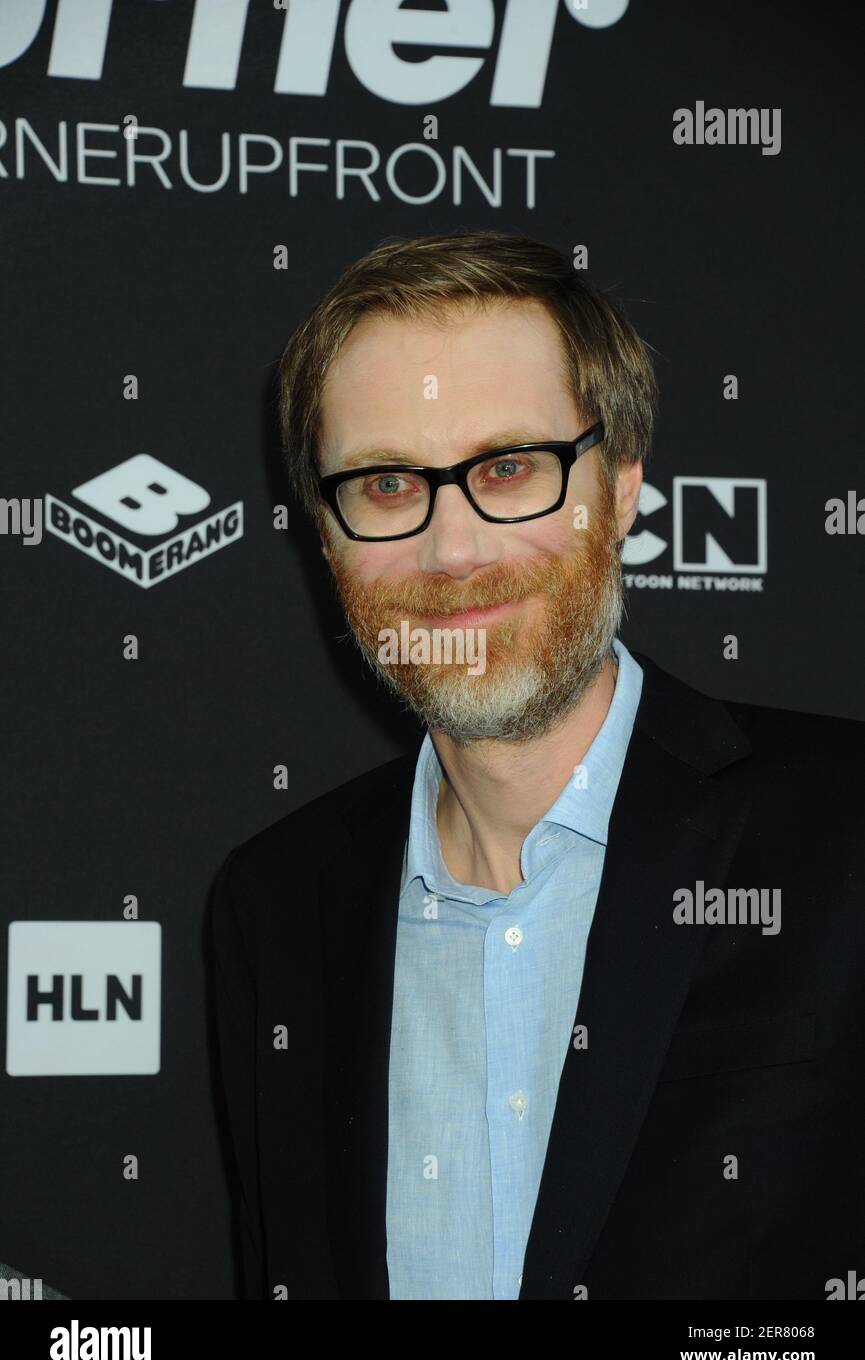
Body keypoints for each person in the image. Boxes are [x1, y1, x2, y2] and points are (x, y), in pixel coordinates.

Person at [211, 231, 865, 1300]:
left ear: (618, 490)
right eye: (384, 484)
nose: (452, 550)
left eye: (508, 469)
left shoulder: (842, 834)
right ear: (325, 539)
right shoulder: (272, 905)